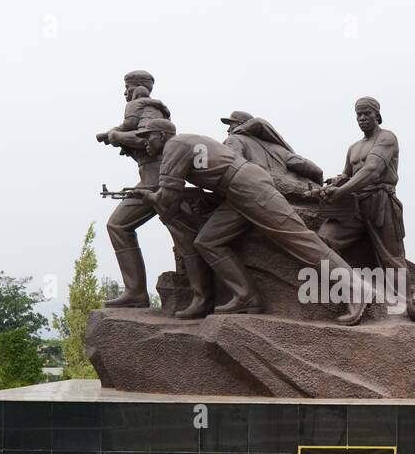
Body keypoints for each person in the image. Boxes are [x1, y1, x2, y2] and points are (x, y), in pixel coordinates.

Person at [135, 119, 370, 325]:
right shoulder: (186, 142)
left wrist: (150, 197)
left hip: (247, 187)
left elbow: (167, 202)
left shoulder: (173, 147)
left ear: (163, 135)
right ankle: (246, 297)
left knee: (297, 239)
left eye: (148, 136)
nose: (144, 142)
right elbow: (210, 174)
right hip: (235, 191)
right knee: (208, 241)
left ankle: (356, 289)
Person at [94, 70, 175, 308]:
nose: (125, 92)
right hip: (157, 176)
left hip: (155, 179)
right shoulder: (149, 110)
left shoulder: (141, 106)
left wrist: (118, 137)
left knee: (118, 225)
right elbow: (135, 131)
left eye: (127, 87)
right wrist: (114, 134)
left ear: (138, 86)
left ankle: (136, 292)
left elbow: (147, 141)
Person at [318, 96, 406, 274]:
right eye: (359, 114)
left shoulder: (387, 138)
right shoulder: (353, 147)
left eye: (367, 113)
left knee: (392, 261)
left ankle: (403, 302)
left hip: (381, 204)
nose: (362, 118)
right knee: (325, 240)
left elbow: (372, 170)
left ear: (377, 115)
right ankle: (347, 291)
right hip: (355, 205)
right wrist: (336, 181)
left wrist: (341, 191)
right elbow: (348, 174)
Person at [221, 111, 324, 200]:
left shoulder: (234, 139)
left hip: (252, 193)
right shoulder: (277, 148)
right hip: (282, 192)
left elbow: (232, 167)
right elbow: (313, 168)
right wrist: (319, 182)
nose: (228, 129)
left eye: (231, 125)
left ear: (241, 124)